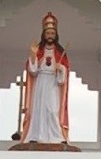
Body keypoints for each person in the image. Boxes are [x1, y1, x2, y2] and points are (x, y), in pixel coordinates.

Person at [18, 12, 72, 146]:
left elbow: (62, 79)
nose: (50, 36)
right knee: (39, 109)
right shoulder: (39, 50)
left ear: (56, 35)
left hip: (53, 83)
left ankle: (56, 136)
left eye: (52, 34)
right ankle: (37, 135)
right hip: (41, 82)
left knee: (53, 109)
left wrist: (61, 68)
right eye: (48, 33)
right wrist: (32, 55)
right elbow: (33, 71)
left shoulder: (60, 52)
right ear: (44, 34)